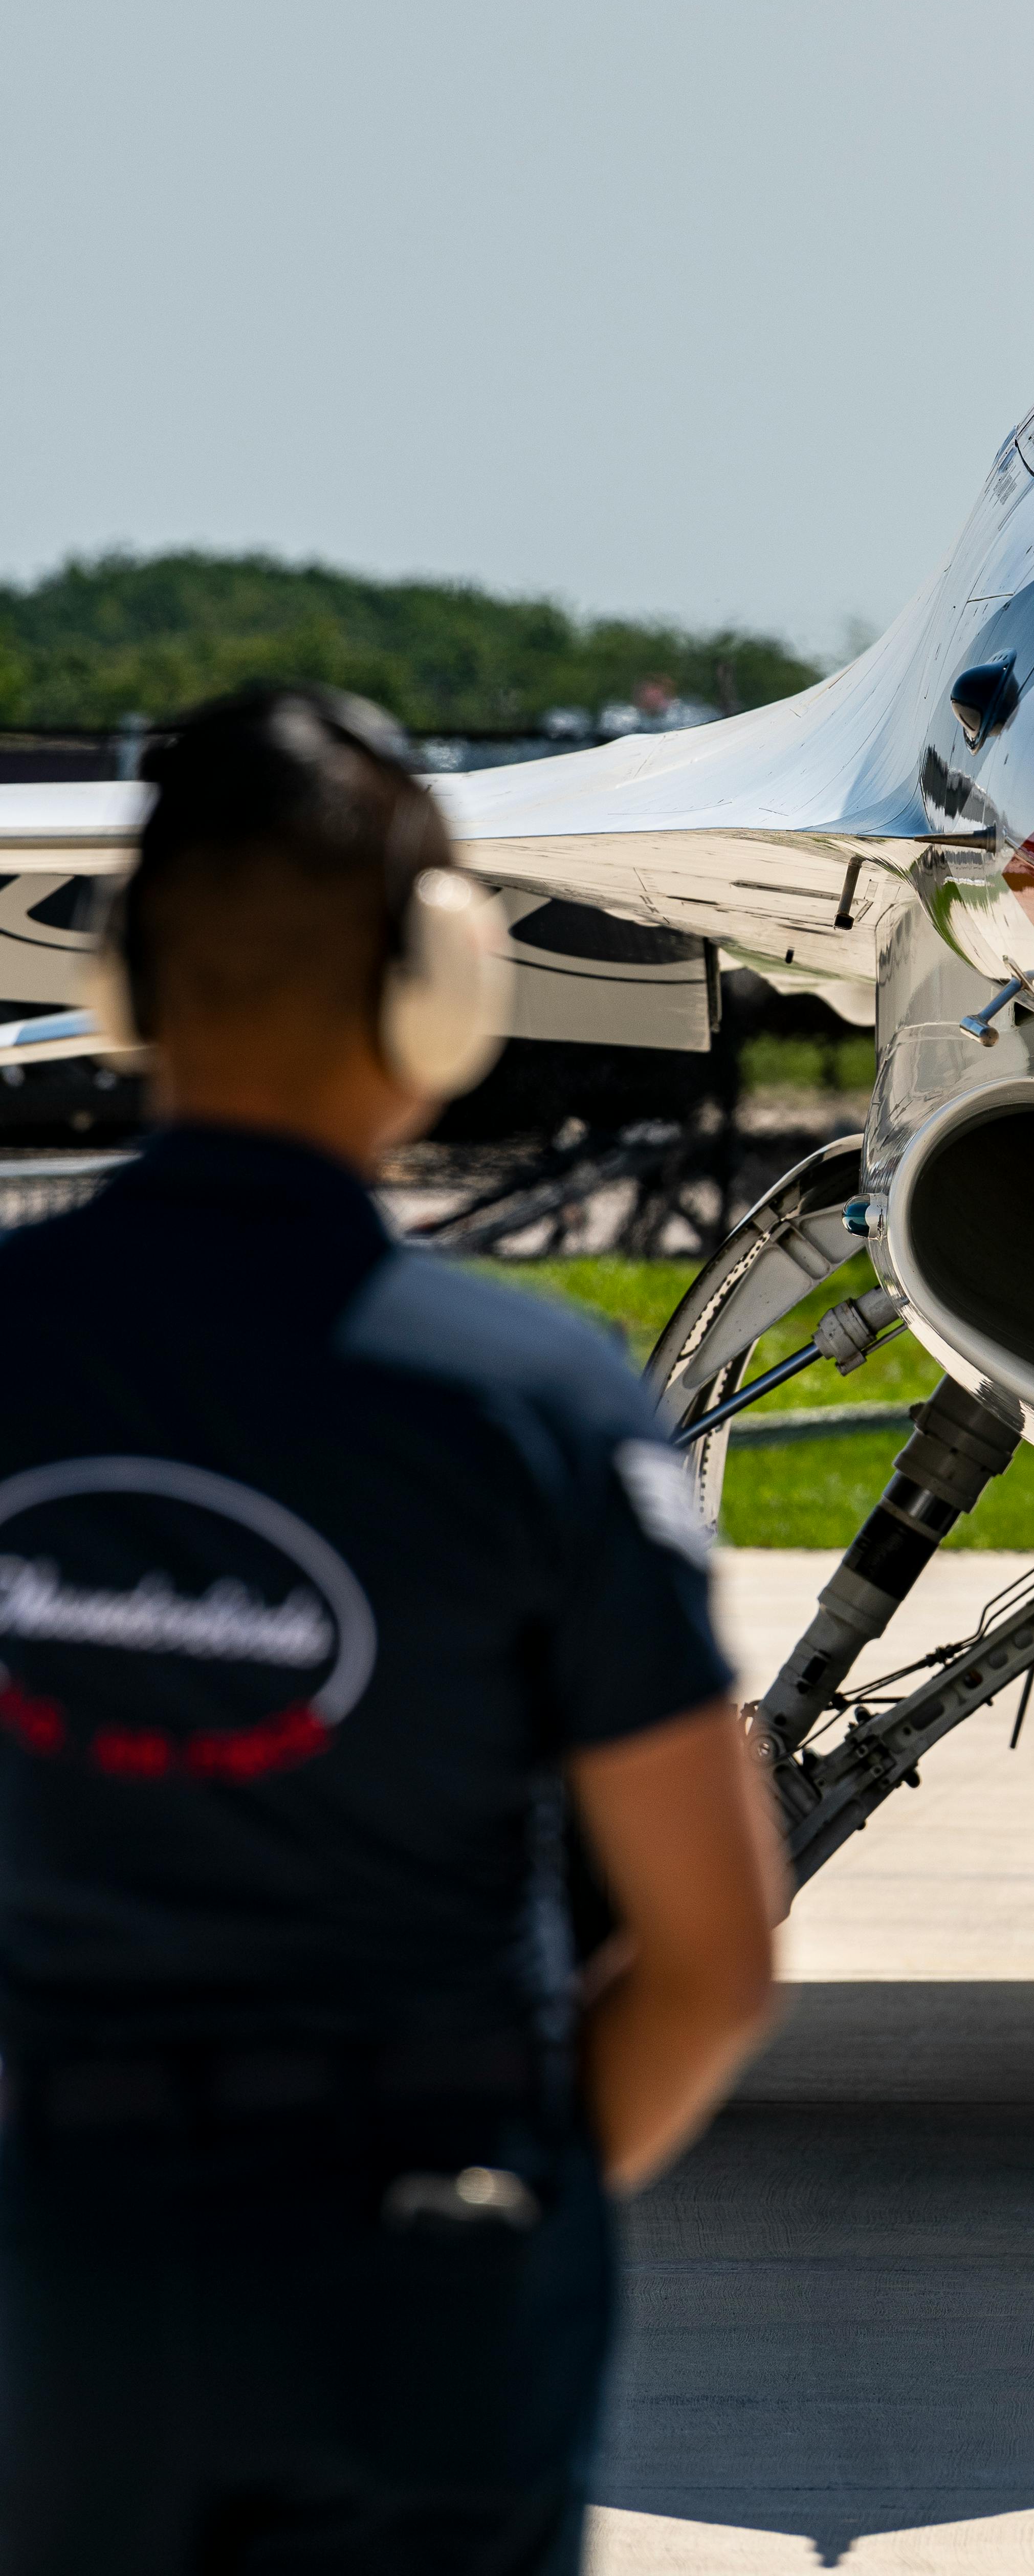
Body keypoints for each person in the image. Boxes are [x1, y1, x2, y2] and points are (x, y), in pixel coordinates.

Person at [0, 685, 779, 2576]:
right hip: (414, 2274)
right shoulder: (537, 1402)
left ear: (121, 992)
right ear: (438, 994)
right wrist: (508, 2207)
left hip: (52, 2280)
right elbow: (709, 1955)